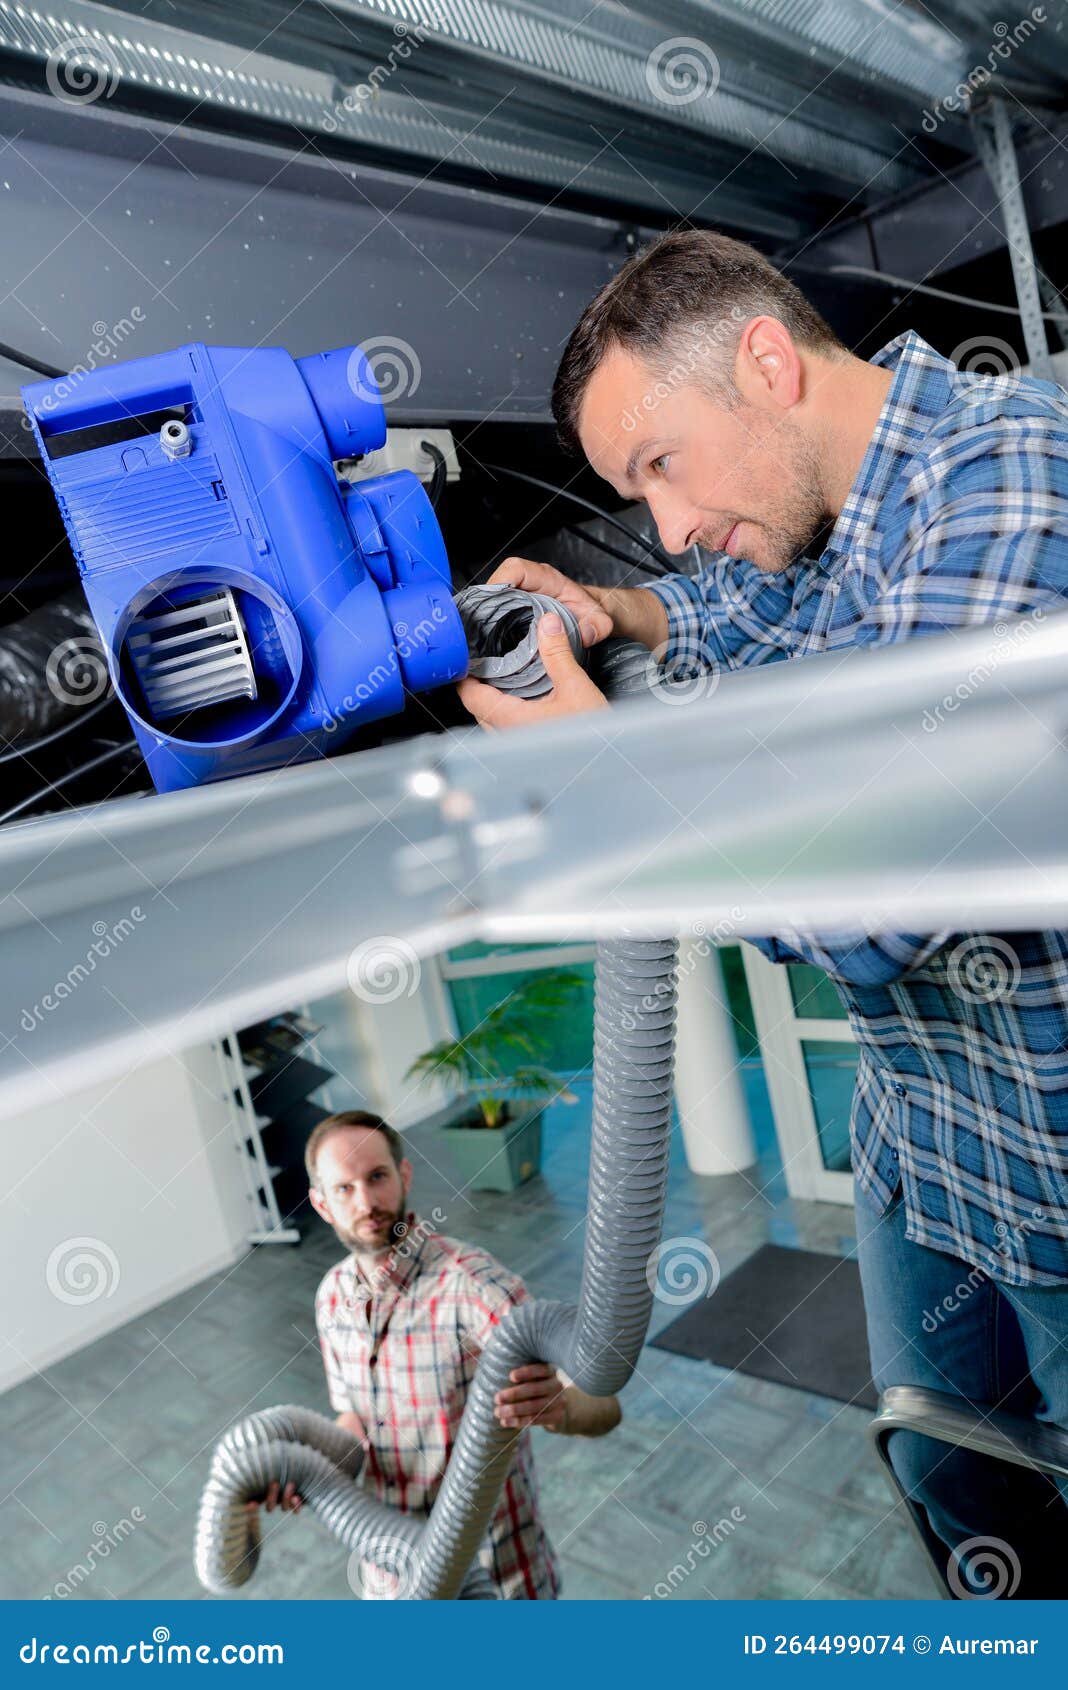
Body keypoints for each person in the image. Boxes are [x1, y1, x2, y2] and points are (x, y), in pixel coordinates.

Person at [458, 228, 1068, 1597]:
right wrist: (613, 607)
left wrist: (593, 766)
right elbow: (740, 604)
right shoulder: (829, 499)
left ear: (767, 363)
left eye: (658, 465)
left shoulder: (1011, 483)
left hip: (1050, 1168)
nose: (667, 522)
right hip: (920, 1140)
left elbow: (877, 894)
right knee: (950, 1476)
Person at [255, 1108, 621, 1598]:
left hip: (495, 1580)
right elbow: (355, 1418)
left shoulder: (472, 1287)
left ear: (404, 1175)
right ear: (322, 1204)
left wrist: (561, 1408)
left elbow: (605, 1407)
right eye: (344, 1188)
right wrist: (308, 1469)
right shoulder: (332, 1296)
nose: (366, 1201)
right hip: (393, 1581)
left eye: (377, 1176)